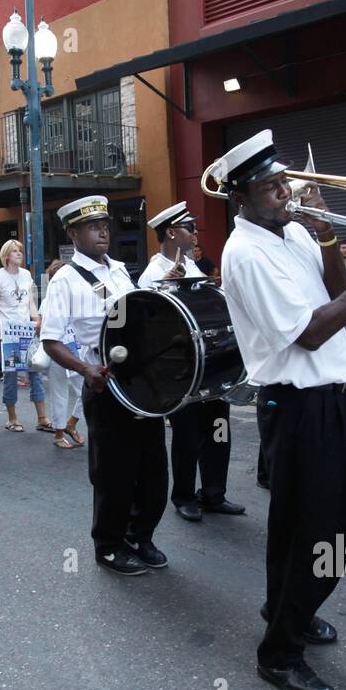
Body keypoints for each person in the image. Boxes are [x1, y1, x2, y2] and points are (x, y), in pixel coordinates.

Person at [216, 130, 346, 690]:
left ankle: (288, 609)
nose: (283, 193)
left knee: (319, 526)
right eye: (268, 187)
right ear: (241, 196)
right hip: (297, 404)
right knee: (319, 532)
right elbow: (310, 332)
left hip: (334, 398)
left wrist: (330, 234)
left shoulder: (293, 234)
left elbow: (337, 290)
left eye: (284, 181)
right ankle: (278, 653)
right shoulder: (246, 253)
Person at [41, 195, 168, 577]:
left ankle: (140, 535)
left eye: (105, 225)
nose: (102, 232)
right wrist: (84, 369)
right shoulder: (66, 279)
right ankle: (109, 546)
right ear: (73, 233)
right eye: (92, 226)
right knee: (113, 473)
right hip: (104, 383)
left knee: (152, 469)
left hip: (141, 382)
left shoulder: (119, 271)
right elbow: (51, 339)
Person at [138, 201, 244, 521]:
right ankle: (183, 496)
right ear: (171, 233)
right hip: (181, 369)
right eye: (189, 228)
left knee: (218, 429)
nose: (195, 234)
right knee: (187, 436)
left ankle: (214, 493)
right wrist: (165, 288)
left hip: (210, 364)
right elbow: (146, 323)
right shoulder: (152, 274)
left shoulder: (194, 267)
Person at [0, 239, 51, 434]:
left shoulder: (26, 275)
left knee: (35, 373)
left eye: (20, 251)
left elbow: (30, 300)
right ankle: (12, 418)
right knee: (10, 376)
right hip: (8, 332)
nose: (19, 254)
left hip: (26, 330)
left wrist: (37, 318)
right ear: (6, 255)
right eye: (15, 251)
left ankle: (42, 418)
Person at [39, 260, 84, 449]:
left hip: (77, 349)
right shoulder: (48, 301)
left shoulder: (81, 296)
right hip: (57, 351)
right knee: (60, 393)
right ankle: (58, 434)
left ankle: (71, 424)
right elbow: (42, 327)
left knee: (86, 391)